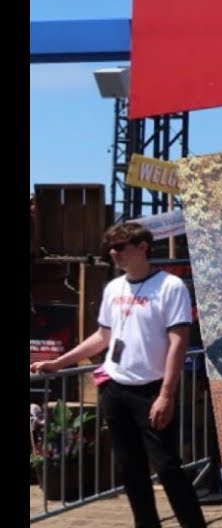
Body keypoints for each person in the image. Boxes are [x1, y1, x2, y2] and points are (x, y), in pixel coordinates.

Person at [30, 222, 206, 528]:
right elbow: (102, 336)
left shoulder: (170, 287)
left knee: (167, 467)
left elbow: (178, 341)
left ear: (142, 247)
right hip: (115, 386)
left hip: (151, 389)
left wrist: (166, 394)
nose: (114, 253)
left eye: (121, 247)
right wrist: (60, 363)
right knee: (130, 468)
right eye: (111, 248)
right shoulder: (113, 288)